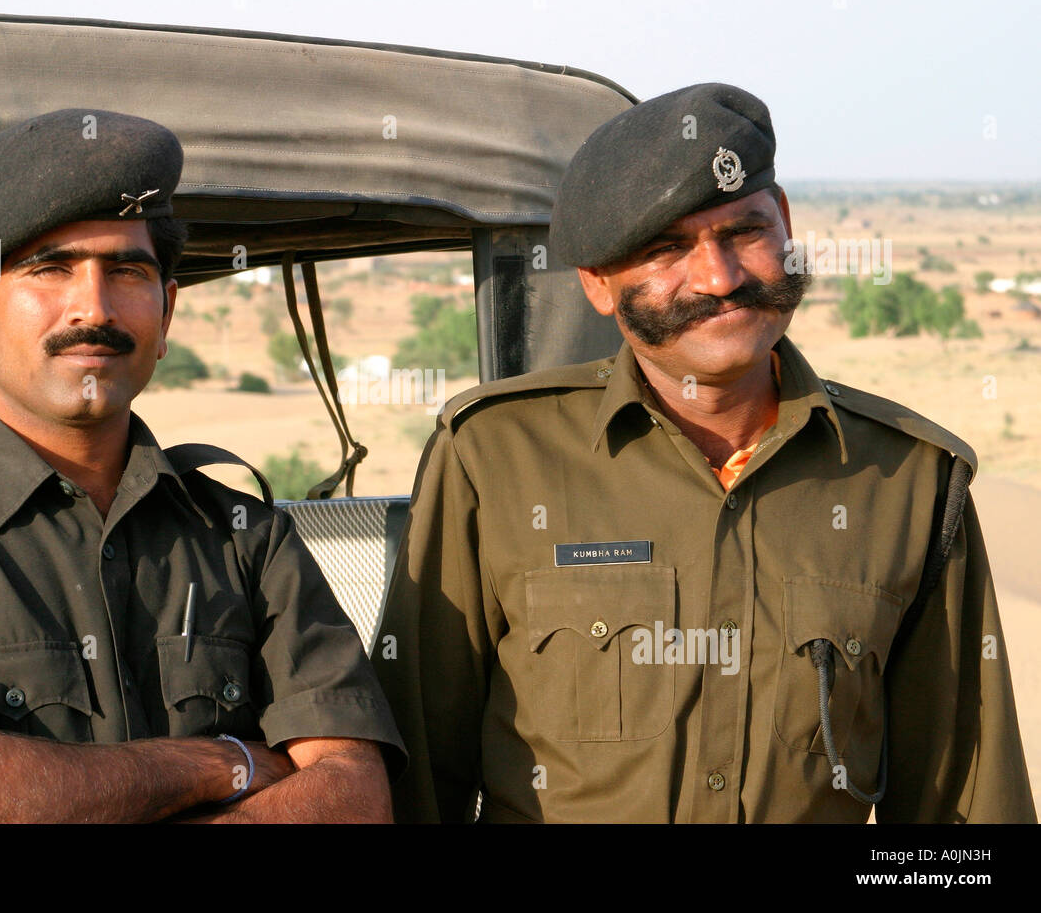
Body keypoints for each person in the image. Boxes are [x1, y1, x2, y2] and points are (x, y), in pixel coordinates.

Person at [373, 83, 1034, 823]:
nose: (720, 279)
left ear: (782, 221)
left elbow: (965, 804)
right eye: (666, 249)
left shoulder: (910, 479)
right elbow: (416, 771)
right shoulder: (495, 459)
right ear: (598, 283)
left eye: (742, 232)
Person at [0, 109, 404, 823]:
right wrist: (228, 763)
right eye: (50, 268)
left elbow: (355, 796)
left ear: (167, 312)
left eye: (126, 271)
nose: (93, 306)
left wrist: (33, 785)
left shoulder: (243, 536)